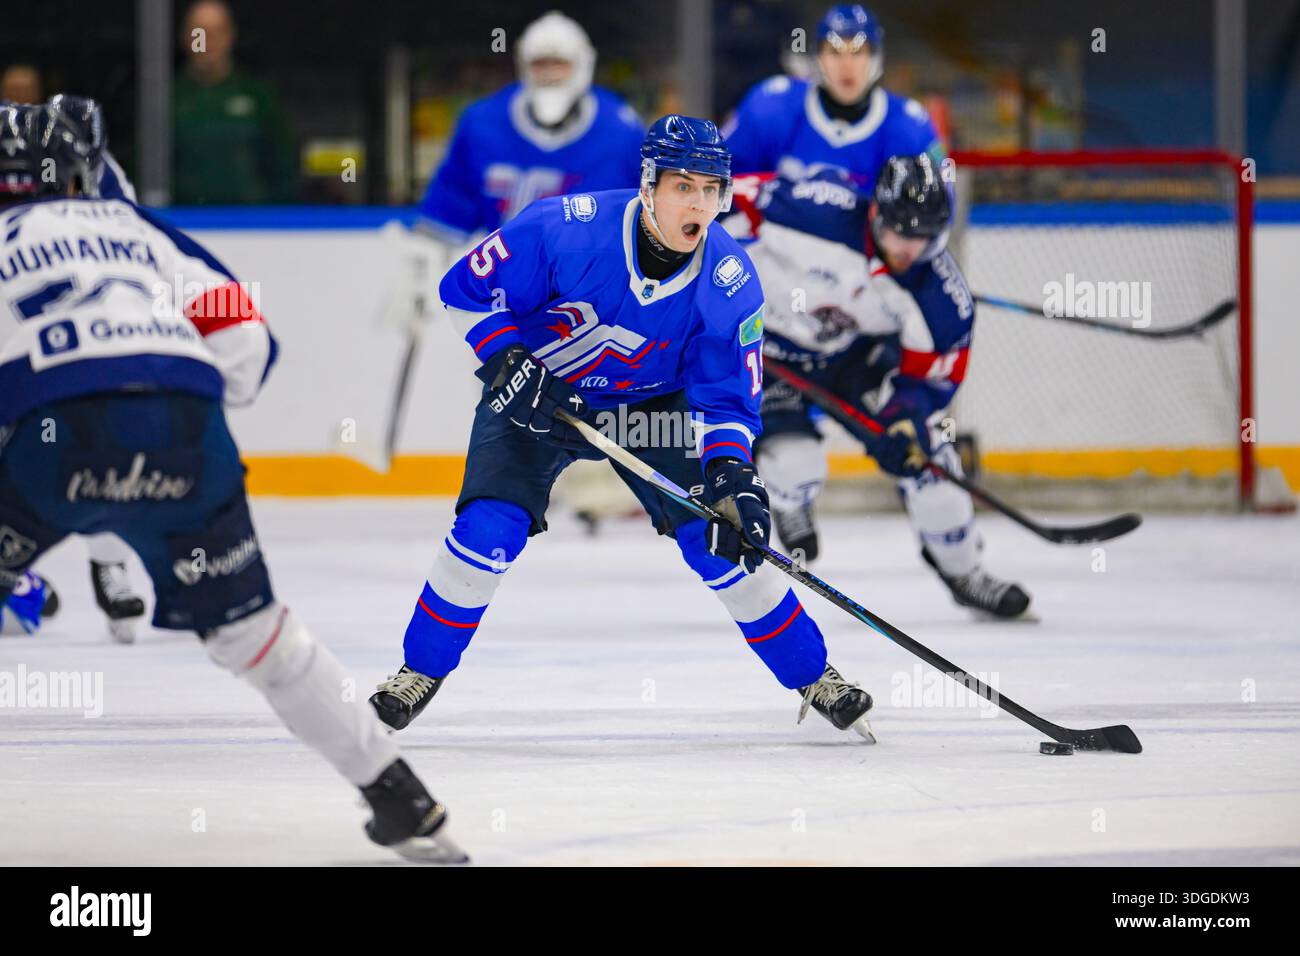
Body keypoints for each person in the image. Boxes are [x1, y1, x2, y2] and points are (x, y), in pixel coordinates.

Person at [0, 103, 464, 862]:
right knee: (260, 638)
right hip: (188, 431)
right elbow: (249, 346)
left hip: (53, 442)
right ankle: (403, 800)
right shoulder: (138, 232)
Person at [370, 116, 875, 741]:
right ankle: (419, 670)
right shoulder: (564, 229)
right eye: (682, 186)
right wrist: (507, 361)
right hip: (538, 396)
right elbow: (464, 289)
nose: (698, 203)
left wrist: (732, 472)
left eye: (710, 189)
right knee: (487, 531)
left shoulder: (731, 281)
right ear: (648, 185)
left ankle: (813, 675)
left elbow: (722, 399)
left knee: (718, 538)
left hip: (651, 408)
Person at [727, 156, 1031, 618]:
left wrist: (906, 416)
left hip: (854, 358)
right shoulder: (813, 212)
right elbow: (716, 207)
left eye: (922, 237)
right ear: (874, 214)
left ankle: (965, 571)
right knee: (793, 465)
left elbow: (930, 377)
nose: (906, 248)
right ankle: (790, 502)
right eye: (897, 232)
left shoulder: (940, 298)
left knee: (928, 460)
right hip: (768, 353)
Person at [722, 4, 944, 188]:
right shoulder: (772, 105)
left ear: (875, 58)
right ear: (818, 58)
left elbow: (938, 204)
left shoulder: (910, 126)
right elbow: (719, 178)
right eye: (835, 52)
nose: (846, 65)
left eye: (857, 52)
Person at [172, 0, 297, 204]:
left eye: (216, 32)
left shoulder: (257, 95)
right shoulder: (166, 98)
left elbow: (283, 166)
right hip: (182, 221)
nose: (207, 41)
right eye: (199, 33)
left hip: (250, 224)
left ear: (230, 35)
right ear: (185, 38)